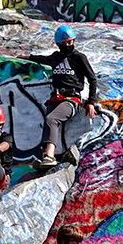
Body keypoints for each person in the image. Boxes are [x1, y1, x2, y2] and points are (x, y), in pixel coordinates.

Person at [34, 25, 100, 167]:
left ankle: (50, 157)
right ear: (59, 44)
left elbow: (92, 79)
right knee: (46, 122)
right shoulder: (55, 58)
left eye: (71, 41)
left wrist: (91, 102)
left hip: (71, 99)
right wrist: (27, 57)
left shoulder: (79, 57)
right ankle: (45, 155)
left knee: (52, 119)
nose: (69, 45)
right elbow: (41, 59)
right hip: (55, 98)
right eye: (65, 43)